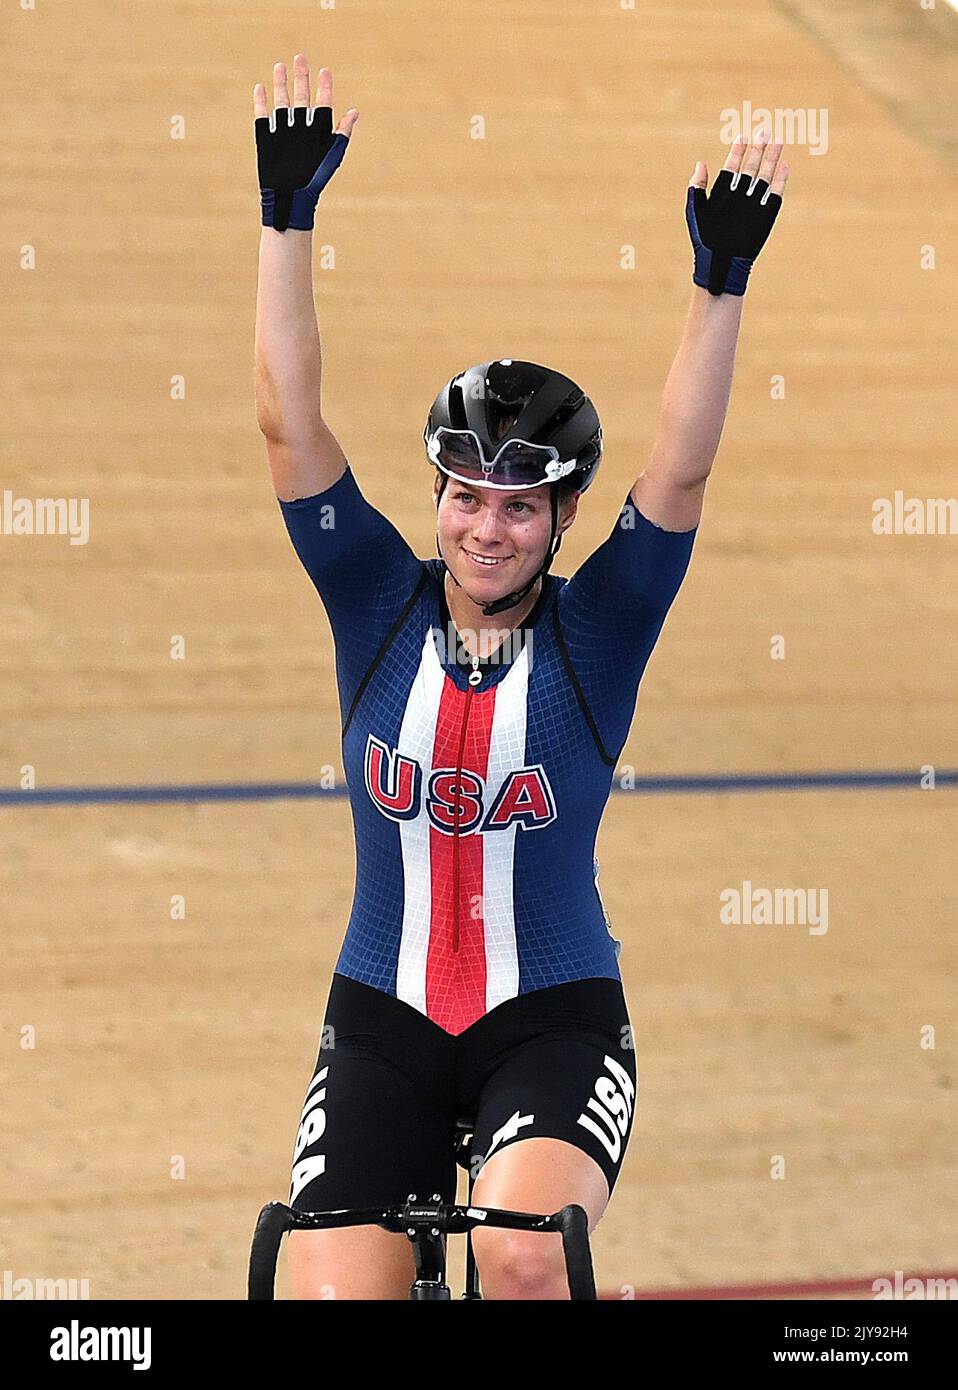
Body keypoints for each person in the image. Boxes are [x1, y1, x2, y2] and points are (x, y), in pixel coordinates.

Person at [252, 56, 788, 1300]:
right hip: (378, 1022)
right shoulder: (369, 597)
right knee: (329, 1292)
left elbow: (682, 473)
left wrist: (718, 286)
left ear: (561, 520)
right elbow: (288, 425)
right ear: (434, 495)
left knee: (521, 1254)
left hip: (551, 1020)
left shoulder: (602, 625)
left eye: (519, 505)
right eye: (465, 494)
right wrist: (284, 222)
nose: (486, 527)